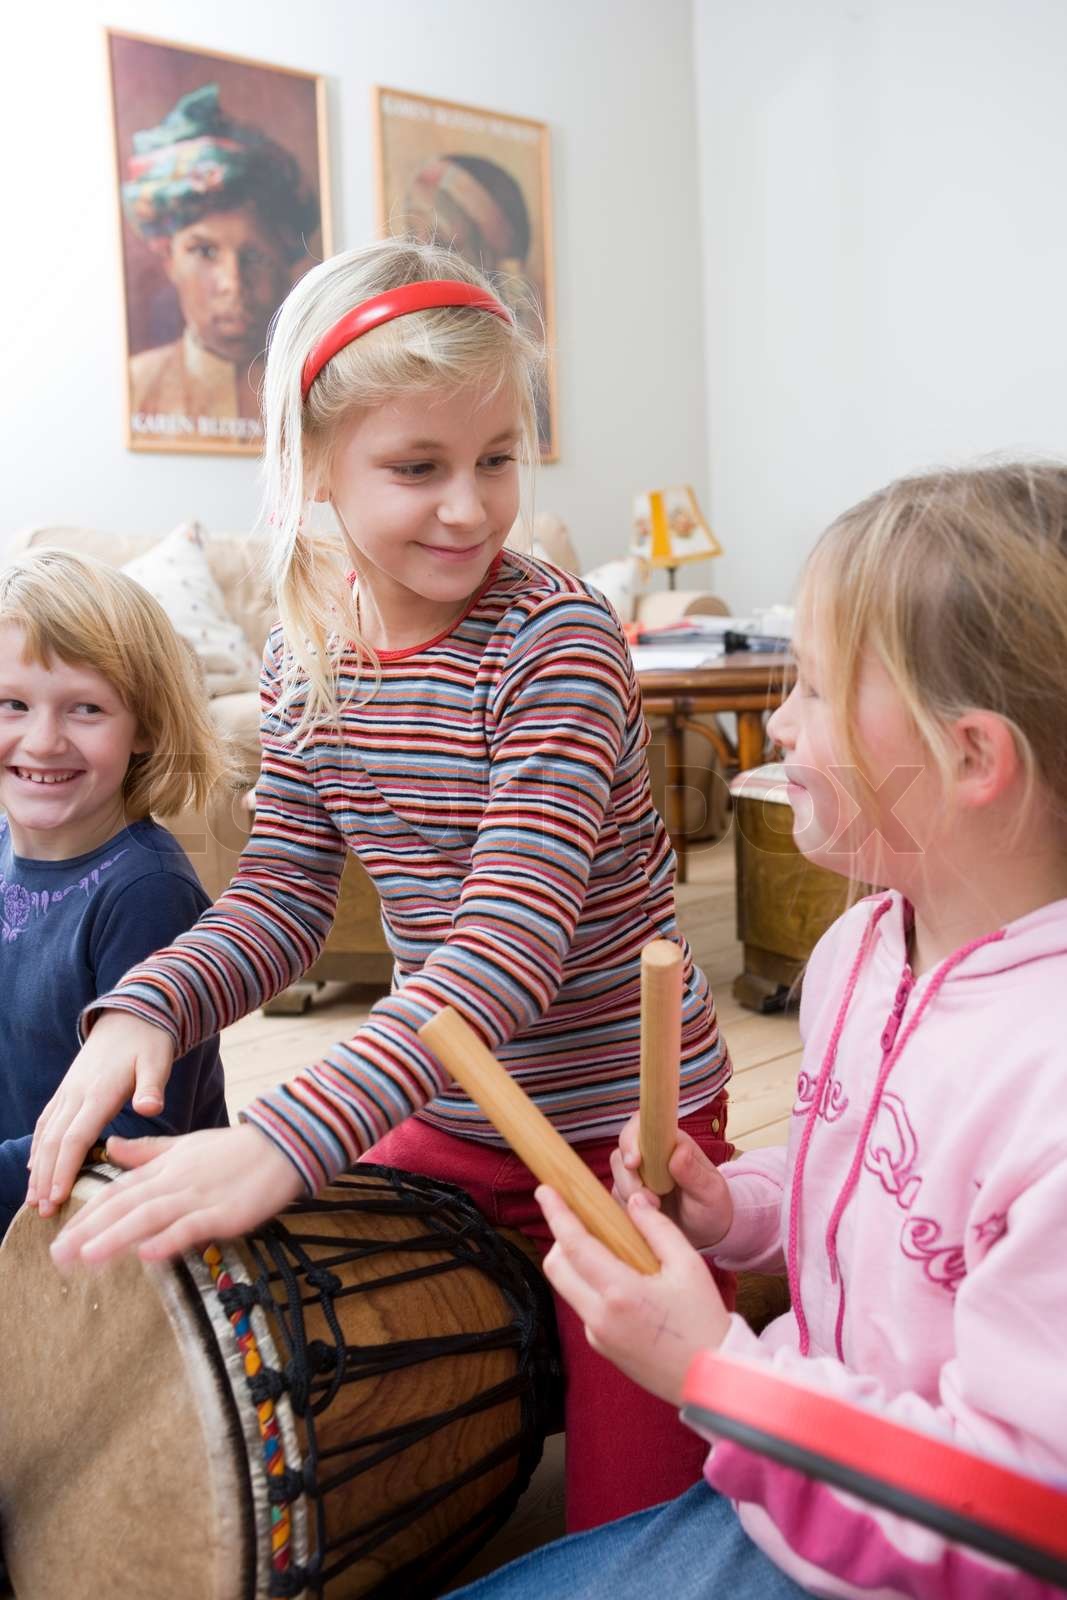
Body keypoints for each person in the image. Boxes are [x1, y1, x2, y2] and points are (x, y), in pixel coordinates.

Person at [32, 239, 734, 1532]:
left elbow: (501, 958)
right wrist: (148, 1007)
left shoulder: (555, 643)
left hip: (621, 1136)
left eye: (495, 460)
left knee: (634, 1532)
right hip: (457, 1115)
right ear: (312, 469)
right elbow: (280, 903)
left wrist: (289, 1133)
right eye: (417, 469)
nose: (468, 508)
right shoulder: (306, 663)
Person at [432, 461, 1067, 1599]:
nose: (776, 721)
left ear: (971, 756)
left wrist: (713, 1374)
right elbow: (870, 1181)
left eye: (815, 692)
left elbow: (1022, 1524)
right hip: (792, 1476)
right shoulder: (863, 948)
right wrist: (735, 1207)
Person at [0, 550, 229, 1237]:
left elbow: (125, 1145)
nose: (43, 741)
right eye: (12, 703)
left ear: (147, 729)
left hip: (118, 1244)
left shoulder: (146, 893)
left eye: (87, 709)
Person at [122, 84, 319, 445]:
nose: (232, 282)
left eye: (255, 256)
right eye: (205, 252)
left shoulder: (322, 397)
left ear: (285, 261)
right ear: (168, 258)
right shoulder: (132, 387)